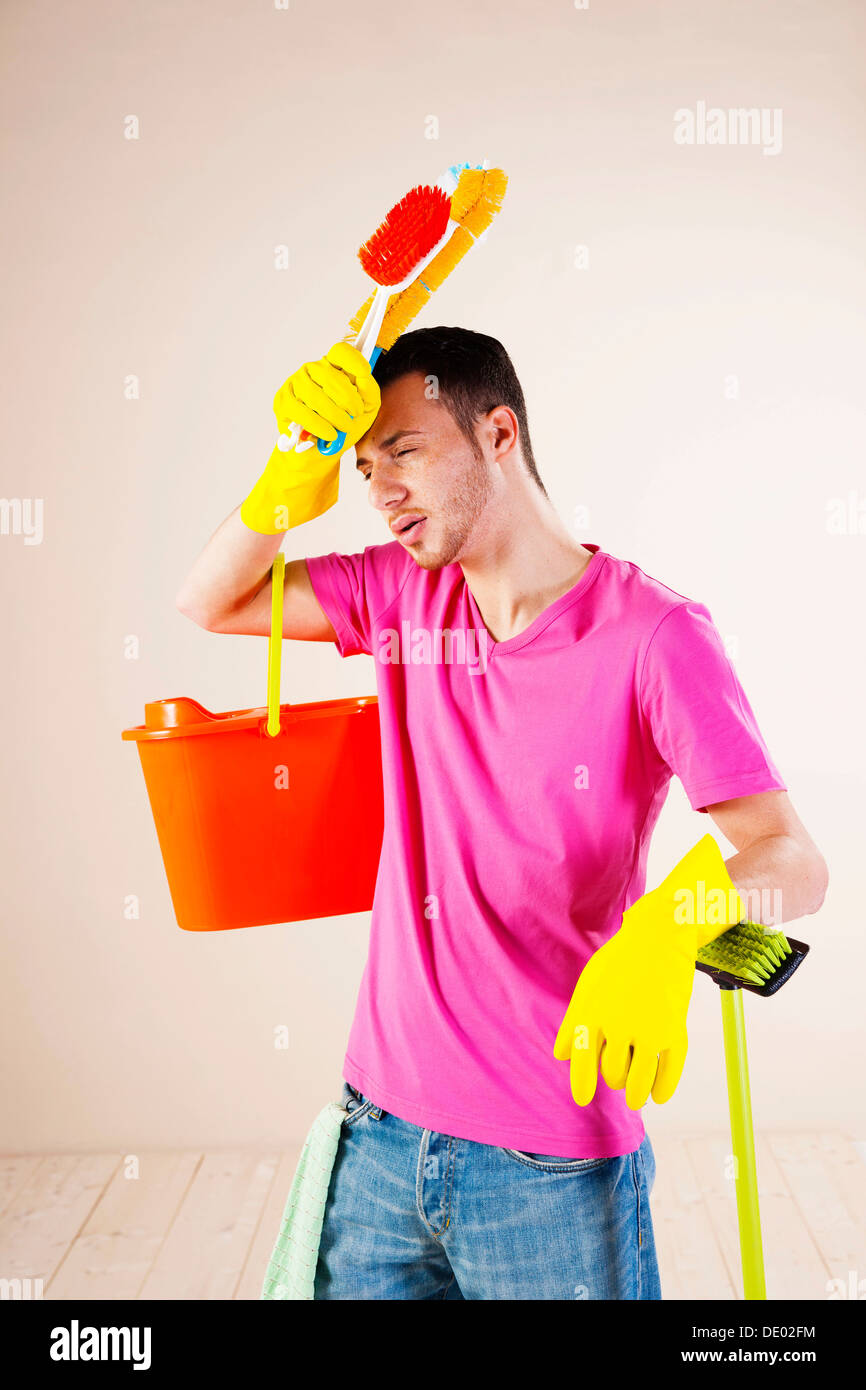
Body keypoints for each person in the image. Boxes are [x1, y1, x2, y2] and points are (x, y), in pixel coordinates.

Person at [176, 326, 828, 1300]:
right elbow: (212, 600)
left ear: (497, 432)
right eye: (361, 467)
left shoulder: (653, 633)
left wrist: (668, 925)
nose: (380, 488)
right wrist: (282, 479)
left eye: (402, 450)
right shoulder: (400, 595)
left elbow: (790, 861)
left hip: (549, 1169)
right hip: (378, 1139)